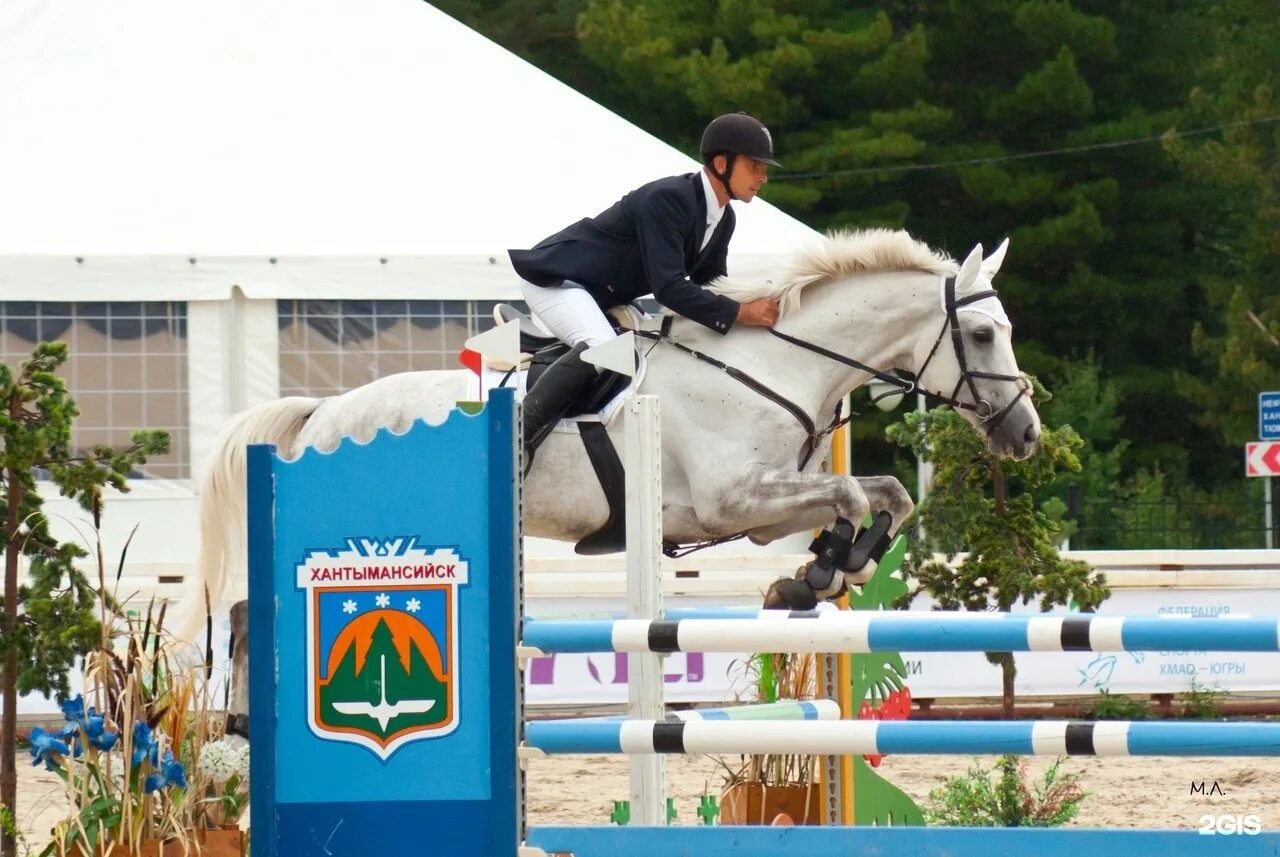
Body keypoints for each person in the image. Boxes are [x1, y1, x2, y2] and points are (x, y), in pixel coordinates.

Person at [508, 111, 783, 466]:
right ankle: (516, 438)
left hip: (603, 294)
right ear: (721, 163)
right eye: (755, 166)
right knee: (605, 349)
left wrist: (759, 298)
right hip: (559, 281)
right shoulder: (668, 199)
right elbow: (669, 288)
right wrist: (741, 312)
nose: (763, 177)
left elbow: (710, 285)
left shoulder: (724, 217)